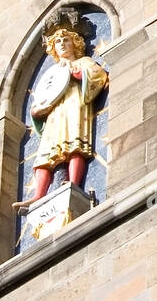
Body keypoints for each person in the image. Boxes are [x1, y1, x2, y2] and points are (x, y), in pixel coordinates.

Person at [14, 11, 108, 212]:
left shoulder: (83, 62)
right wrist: (37, 111)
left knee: (75, 145)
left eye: (66, 40)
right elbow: (41, 98)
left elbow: (98, 75)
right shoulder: (52, 73)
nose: (62, 44)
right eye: (58, 43)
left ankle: (73, 182)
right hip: (55, 114)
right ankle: (38, 195)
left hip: (74, 107)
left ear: (75, 43)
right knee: (45, 155)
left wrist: (76, 73)